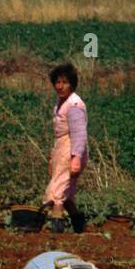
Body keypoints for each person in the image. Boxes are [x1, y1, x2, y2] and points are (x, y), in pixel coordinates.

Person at [41, 63, 88, 234]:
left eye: (65, 82)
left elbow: (79, 134)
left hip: (71, 149)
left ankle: (57, 230)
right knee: (65, 193)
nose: (60, 86)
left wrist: (76, 157)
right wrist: (52, 158)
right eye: (57, 82)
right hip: (62, 148)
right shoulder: (61, 102)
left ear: (72, 84)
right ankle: (79, 226)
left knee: (58, 191)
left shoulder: (74, 105)